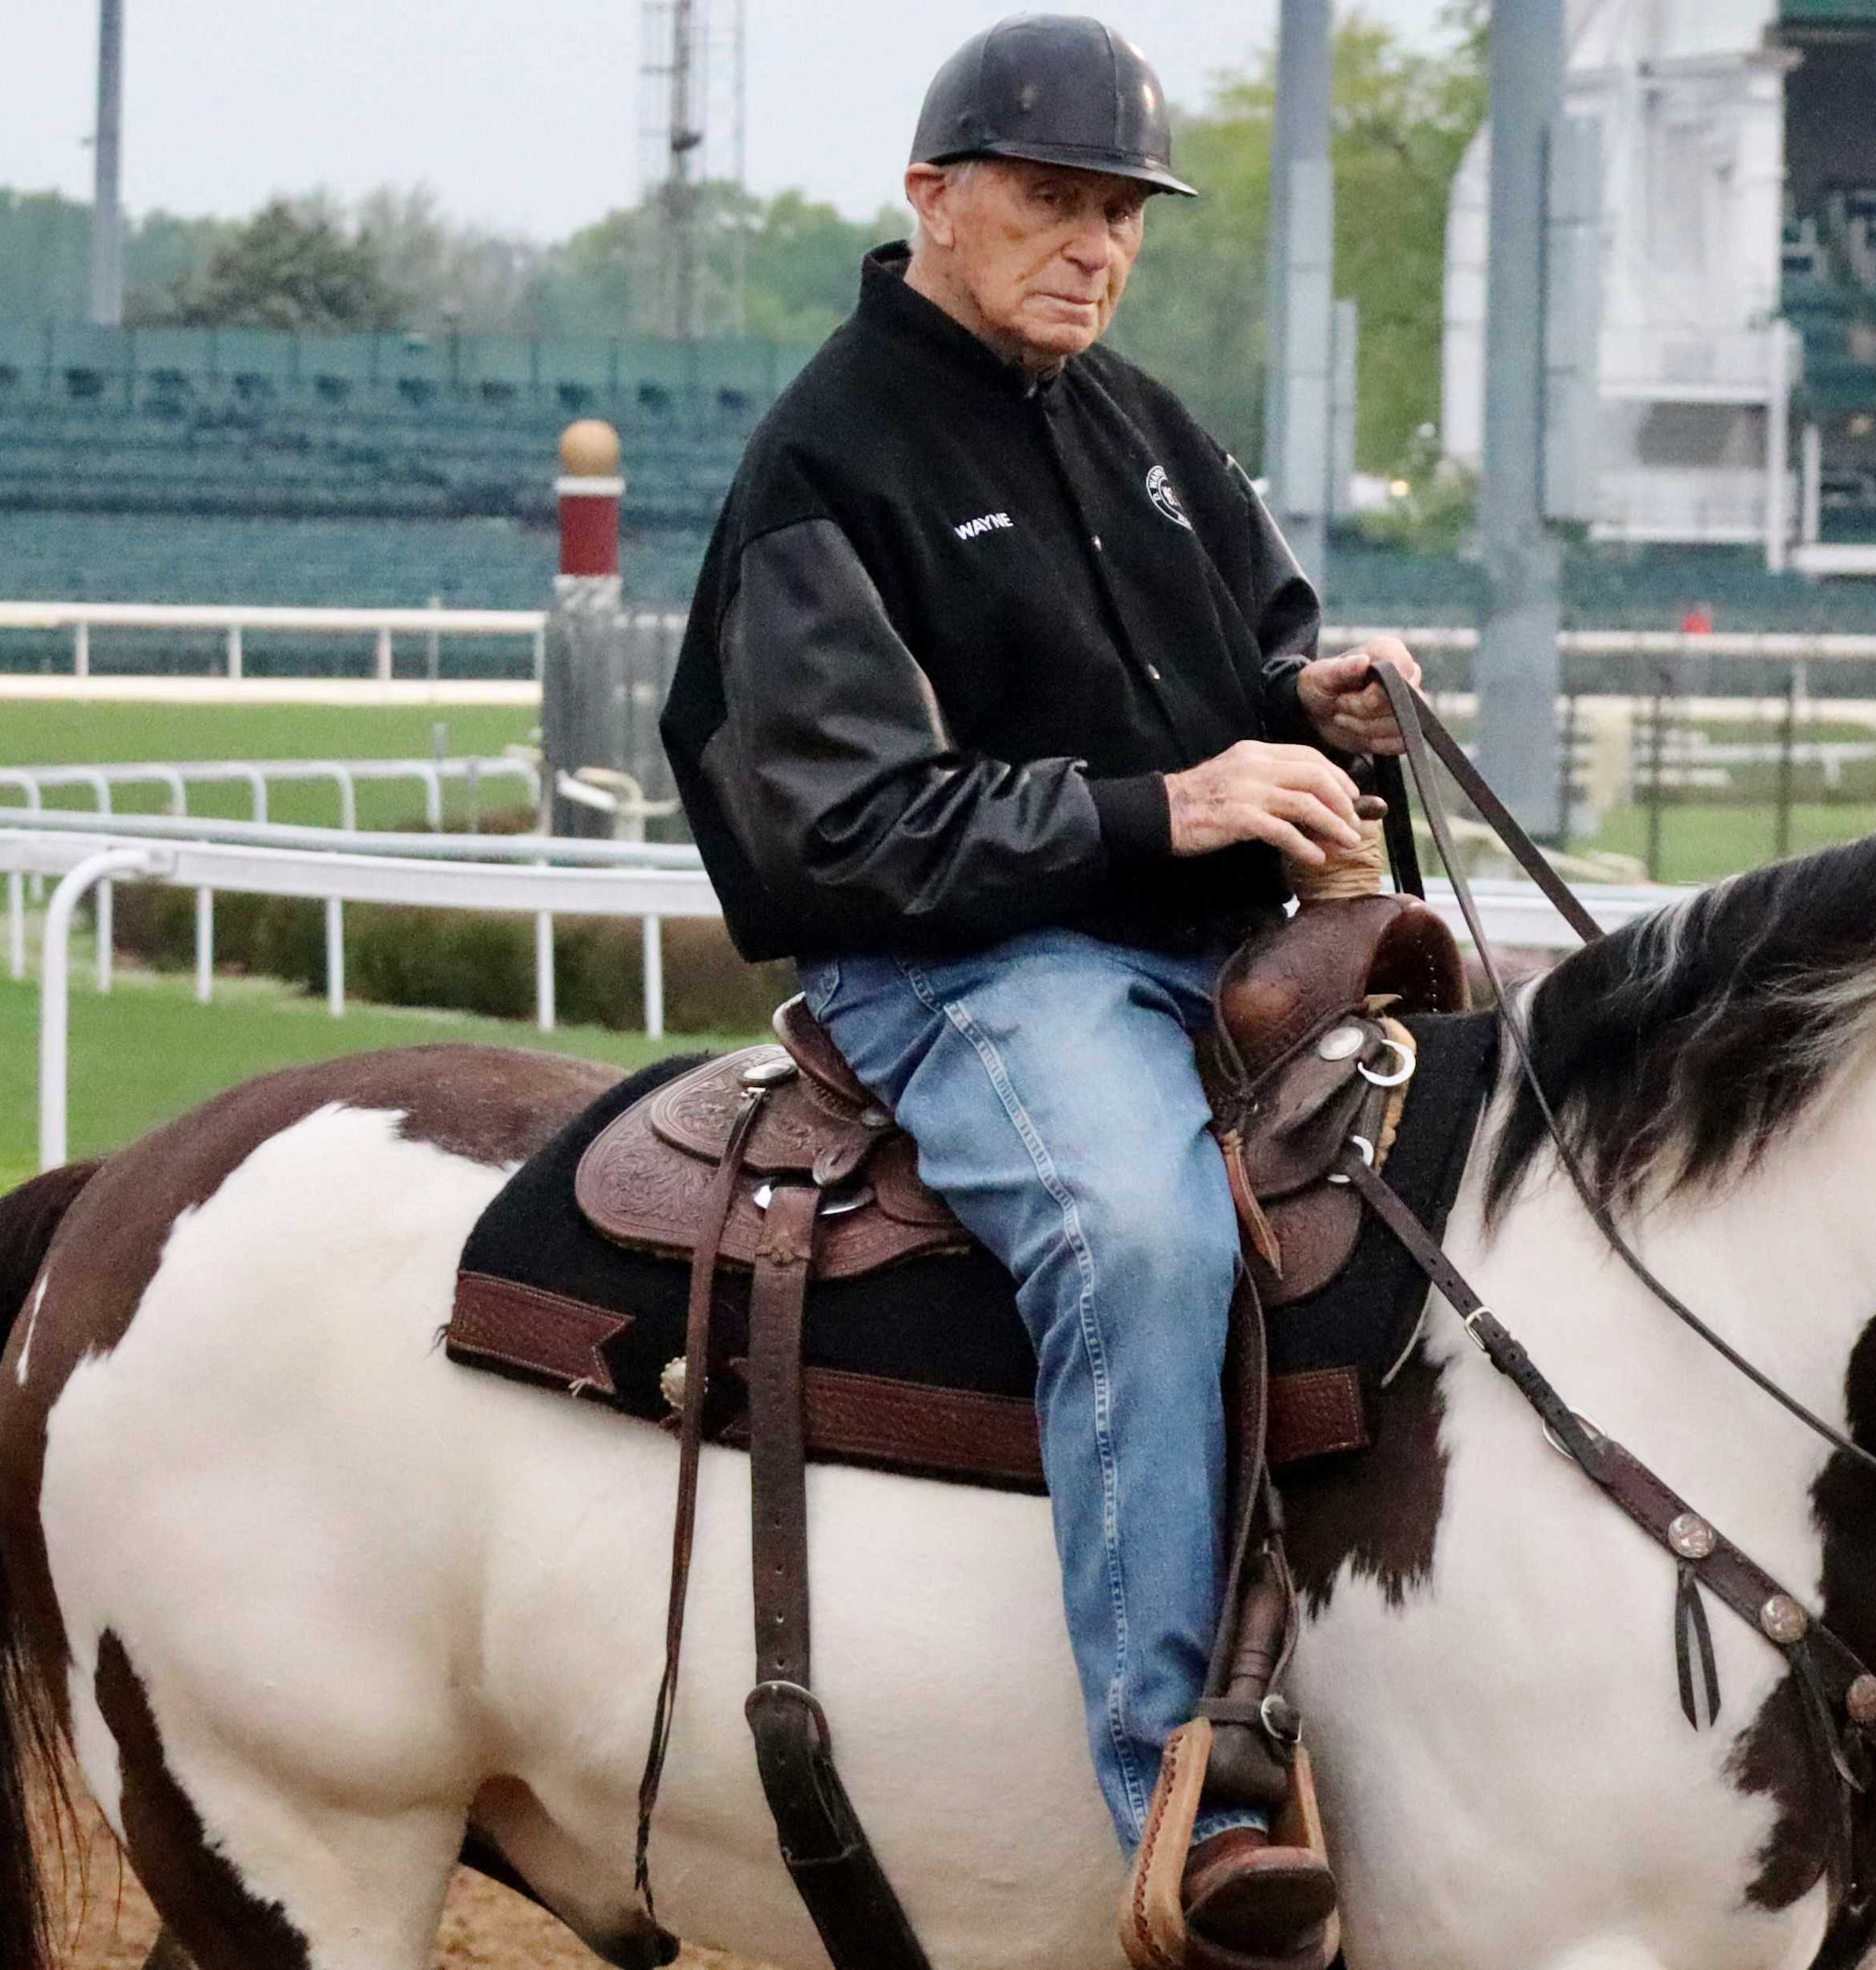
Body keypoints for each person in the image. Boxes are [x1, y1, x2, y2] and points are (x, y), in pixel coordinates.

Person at [658, 16, 1416, 1965]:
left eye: (1120, 218)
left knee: (1523, 1140)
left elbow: (1251, 660)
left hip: (1209, 946)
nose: (1093, 249)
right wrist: (1177, 803)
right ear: (933, 196)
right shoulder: (826, 457)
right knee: (1147, 1244)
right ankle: (1190, 1789)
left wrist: (1317, 708)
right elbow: (839, 835)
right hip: (971, 977)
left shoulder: (1141, 426)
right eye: (1053, 205)